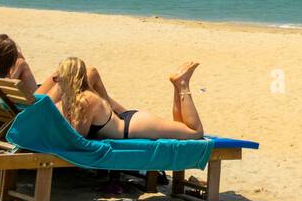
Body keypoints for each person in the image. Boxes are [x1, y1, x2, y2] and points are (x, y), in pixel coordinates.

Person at [41, 57, 208, 141]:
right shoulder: (73, 98)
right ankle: (178, 84)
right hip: (126, 121)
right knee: (181, 127)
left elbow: (78, 137)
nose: (55, 82)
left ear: (69, 79)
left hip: (135, 126)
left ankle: (183, 84)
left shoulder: (85, 100)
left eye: (57, 78)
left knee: (194, 133)